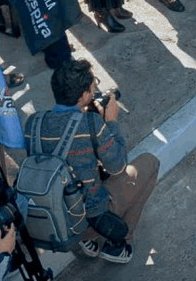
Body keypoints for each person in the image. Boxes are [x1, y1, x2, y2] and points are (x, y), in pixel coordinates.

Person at [26, 60, 159, 265]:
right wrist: (111, 122)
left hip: (57, 216)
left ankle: (86, 241)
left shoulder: (33, 123)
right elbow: (117, 166)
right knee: (150, 162)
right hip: (92, 215)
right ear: (85, 95)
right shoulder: (90, 123)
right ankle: (118, 243)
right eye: (93, 85)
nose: (95, 88)